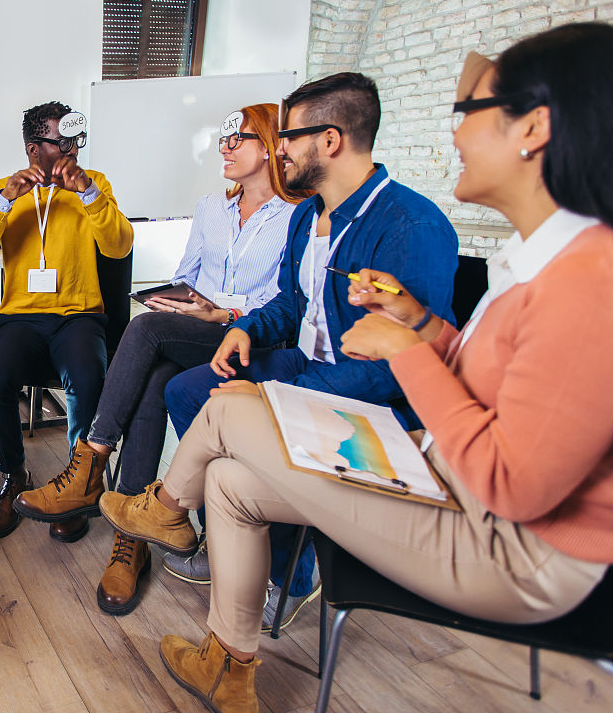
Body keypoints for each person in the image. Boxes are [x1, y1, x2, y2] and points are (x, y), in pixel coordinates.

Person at [98, 22, 613, 713]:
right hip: (447, 472)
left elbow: (512, 488)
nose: (456, 133)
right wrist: (420, 324)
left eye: (471, 111)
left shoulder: (584, 285)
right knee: (226, 476)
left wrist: (407, 350)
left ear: (534, 128)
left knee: (225, 406)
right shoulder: (543, 261)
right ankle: (226, 659)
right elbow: (486, 377)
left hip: (509, 544)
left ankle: (163, 508)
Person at [157, 72, 459, 631]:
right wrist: (248, 328)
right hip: (305, 361)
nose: (280, 150)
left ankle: (289, 574)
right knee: (187, 390)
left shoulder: (412, 226)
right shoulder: (305, 214)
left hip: (370, 395)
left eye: (289, 137)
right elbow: (292, 304)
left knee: (243, 411)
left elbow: (398, 369)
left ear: (330, 140)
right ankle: (222, 533)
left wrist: (279, 394)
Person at [13, 103, 308, 614]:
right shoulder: (211, 207)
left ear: (268, 147)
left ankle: (89, 465)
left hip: (247, 334)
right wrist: (181, 299)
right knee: (153, 377)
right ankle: (132, 540)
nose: (224, 147)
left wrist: (224, 313)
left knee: (144, 330)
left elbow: (288, 301)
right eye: (223, 139)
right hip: (196, 326)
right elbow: (186, 273)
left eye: (237, 139)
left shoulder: (297, 216)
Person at [0, 100, 134, 540]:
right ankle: (15, 474)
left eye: (77, 140)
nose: (73, 150)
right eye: (63, 142)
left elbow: (119, 247)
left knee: (87, 378)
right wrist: (3, 203)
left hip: (79, 316)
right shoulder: (1, 190)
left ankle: (79, 485)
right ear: (33, 149)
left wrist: (88, 194)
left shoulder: (95, 184)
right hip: (22, 319)